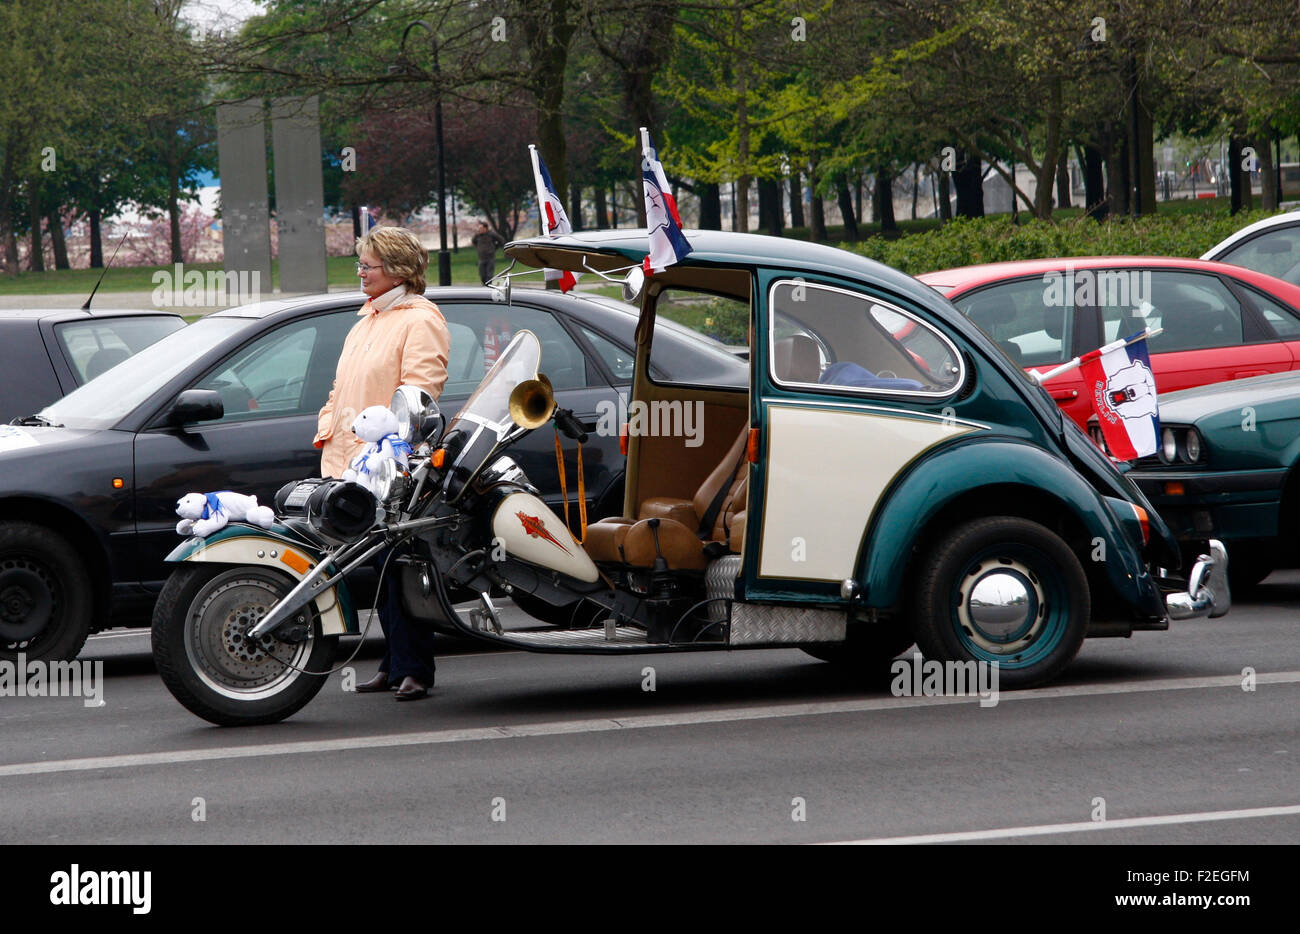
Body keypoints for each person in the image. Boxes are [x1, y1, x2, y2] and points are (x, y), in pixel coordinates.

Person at [314, 226, 450, 701]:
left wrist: (392, 452)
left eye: (367, 265)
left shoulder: (420, 319)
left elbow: (419, 394)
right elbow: (339, 389)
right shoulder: (365, 321)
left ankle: (414, 668)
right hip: (351, 462)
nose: (360, 272)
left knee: (402, 562)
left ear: (396, 269)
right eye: (361, 264)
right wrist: (328, 429)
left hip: (391, 467)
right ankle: (393, 663)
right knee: (381, 568)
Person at [471, 220, 505, 285]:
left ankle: (488, 286)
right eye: (479, 228)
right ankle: (484, 285)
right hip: (481, 258)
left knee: (489, 275)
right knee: (482, 274)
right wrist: (478, 248)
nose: (479, 230)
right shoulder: (477, 236)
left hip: (490, 257)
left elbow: (501, 240)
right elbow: (474, 241)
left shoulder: (491, 234)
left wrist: (495, 248)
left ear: (485, 228)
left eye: (481, 228)